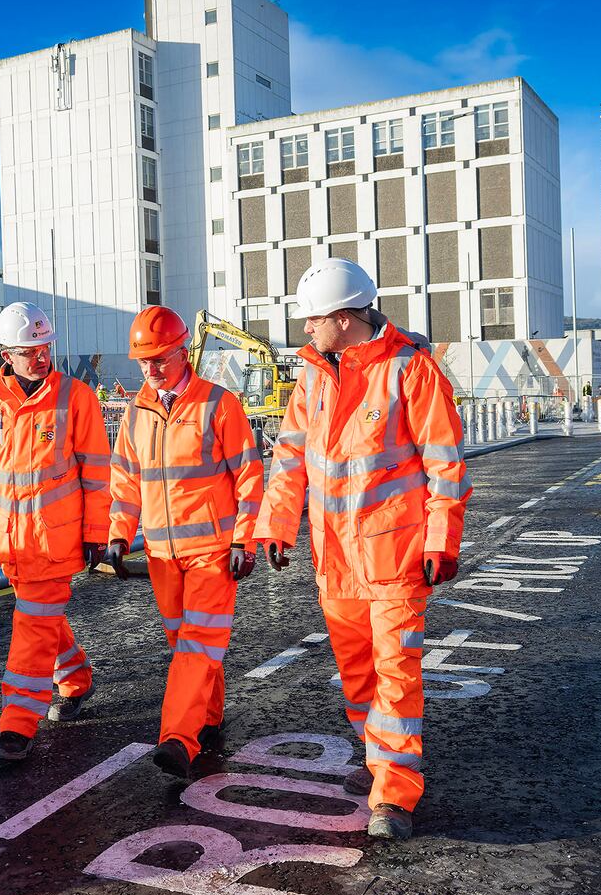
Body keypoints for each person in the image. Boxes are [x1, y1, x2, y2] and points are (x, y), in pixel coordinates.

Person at [256, 258, 470, 841]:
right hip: (335, 557)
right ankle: (379, 755)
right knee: (355, 672)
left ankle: (394, 795)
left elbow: (445, 466)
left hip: (395, 555)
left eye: (313, 320)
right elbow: (290, 458)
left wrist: (441, 537)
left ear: (345, 319)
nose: (305, 330)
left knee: (395, 669)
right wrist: (274, 525)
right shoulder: (312, 377)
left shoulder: (411, 371)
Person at [105, 307, 264, 779]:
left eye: (159, 360)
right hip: (160, 555)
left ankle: (179, 737)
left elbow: (250, 477)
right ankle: (209, 716)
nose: (151, 370)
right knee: (186, 644)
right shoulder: (136, 413)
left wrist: (244, 541)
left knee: (196, 644)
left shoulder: (219, 404)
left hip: (214, 552)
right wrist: (118, 535)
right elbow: (126, 483)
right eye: (143, 362)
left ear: (182, 352)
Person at [0, 301, 112, 763]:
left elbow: (97, 473)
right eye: (30, 351)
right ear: (7, 354)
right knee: (42, 620)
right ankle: (77, 678)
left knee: (31, 626)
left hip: (56, 539)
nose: (41, 357)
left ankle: (17, 725)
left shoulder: (75, 396)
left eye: (45, 347)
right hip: (12, 543)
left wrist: (96, 532)